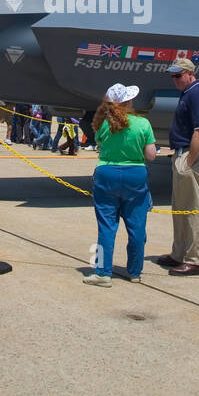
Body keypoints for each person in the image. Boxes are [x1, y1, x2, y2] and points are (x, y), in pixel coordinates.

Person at [83, 83, 157, 286]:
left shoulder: (102, 124)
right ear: (128, 101)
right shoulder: (143, 124)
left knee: (106, 226)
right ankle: (134, 272)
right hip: (135, 174)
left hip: (107, 173)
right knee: (137, 226)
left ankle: (102, 272)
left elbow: (100, 144)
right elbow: (151, 155)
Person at [153, 58, 199, 276]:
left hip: (189, 156)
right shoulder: (188, 93)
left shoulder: (196, 93)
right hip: (181, 153)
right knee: (179, 208)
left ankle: (195, 260)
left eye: (178, 75)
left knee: (190, 210)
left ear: (190, 73)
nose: (174, 80)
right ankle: (179, 253)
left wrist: (188, 161)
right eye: (172, 76)